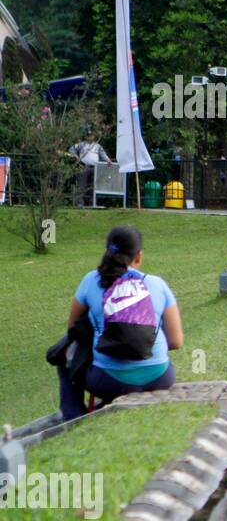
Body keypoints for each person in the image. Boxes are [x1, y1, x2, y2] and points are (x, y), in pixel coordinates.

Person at [57, 225, 183, 420]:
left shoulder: (91, 281)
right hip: (159, 378)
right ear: (139, 256)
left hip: (109, 382)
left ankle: (73, 415)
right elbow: (176, 341)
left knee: (62, 350)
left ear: (108, 252)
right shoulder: (158, 284)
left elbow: (72, 332)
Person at [69, 131, 112, 207]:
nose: (90, 137)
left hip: (95, 168)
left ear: (94, 137)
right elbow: (71, 149)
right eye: (88, 136)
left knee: (93, 186)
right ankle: (79, 203)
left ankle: (93, 203)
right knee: (81, 185)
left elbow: (103, 154)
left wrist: (108, 160)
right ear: (86, 137)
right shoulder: (81, 144)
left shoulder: (97, 146)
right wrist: (75, 156)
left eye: (91, 135)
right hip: (83, 167)